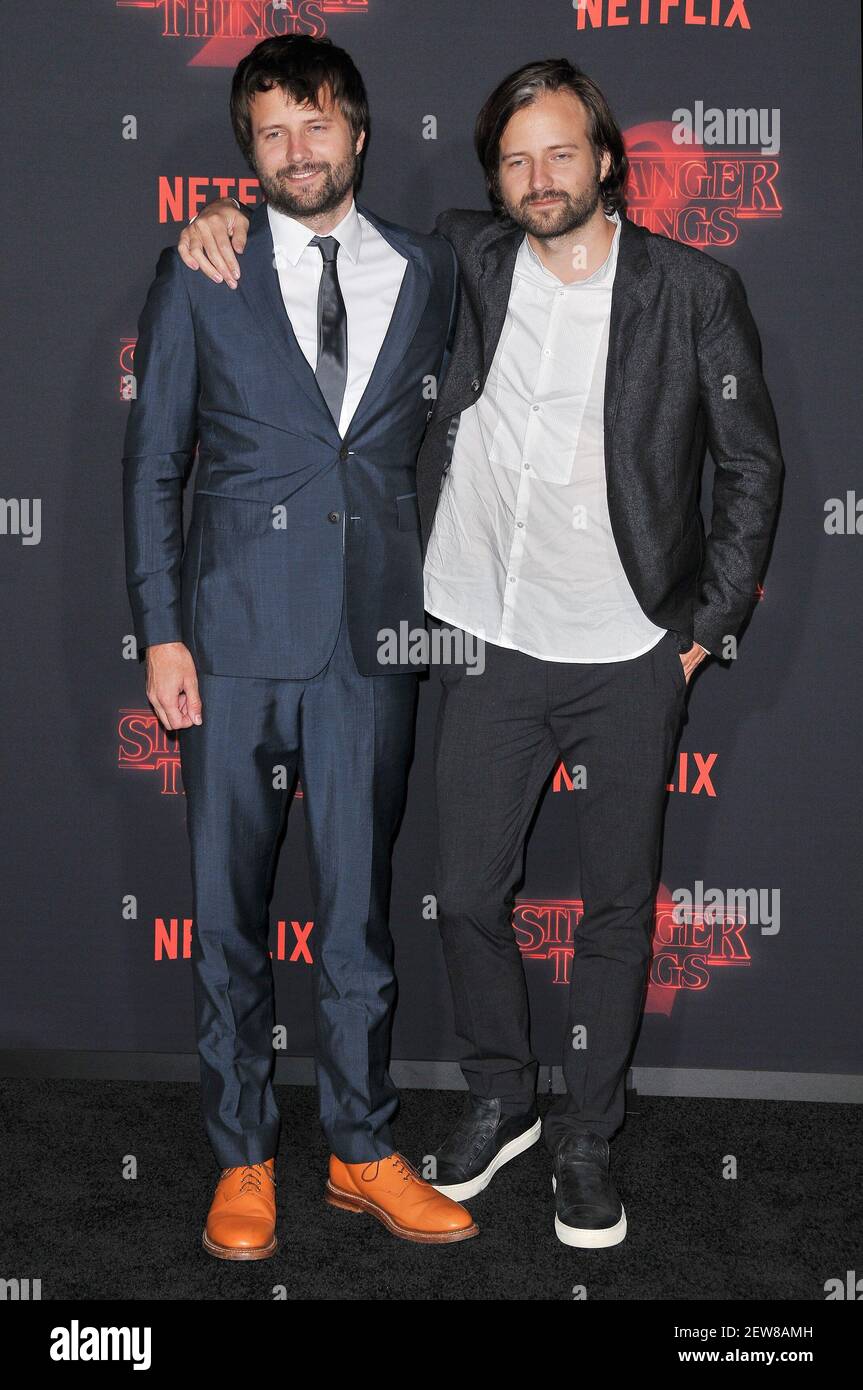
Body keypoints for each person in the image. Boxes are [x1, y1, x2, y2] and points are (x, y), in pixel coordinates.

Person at [176, 58, 784, 1250]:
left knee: (615, 911)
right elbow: (321, 227)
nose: (536, 178)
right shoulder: (466, 255)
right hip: (482, 637)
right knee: (467, 896)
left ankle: (586, 1139)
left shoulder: (692, 290)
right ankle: (502, 1097)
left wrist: (700, 634)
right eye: (513, 159)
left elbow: (751, 467)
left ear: (607, 159)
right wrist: (225, 216)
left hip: (625, 651)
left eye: (559, 153)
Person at [123, 33, 476, 1258]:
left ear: (359, 133)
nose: (294, 150)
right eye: (269, 132)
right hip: (228, 641)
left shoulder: (429, 270)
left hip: (372, 640)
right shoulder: (202, 271)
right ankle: (240, 1156)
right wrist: (159, 633)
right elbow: (155, 464)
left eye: (314, 125)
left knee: (358, 913)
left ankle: (361, 1147)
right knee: (226, 914)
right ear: (247, 153)